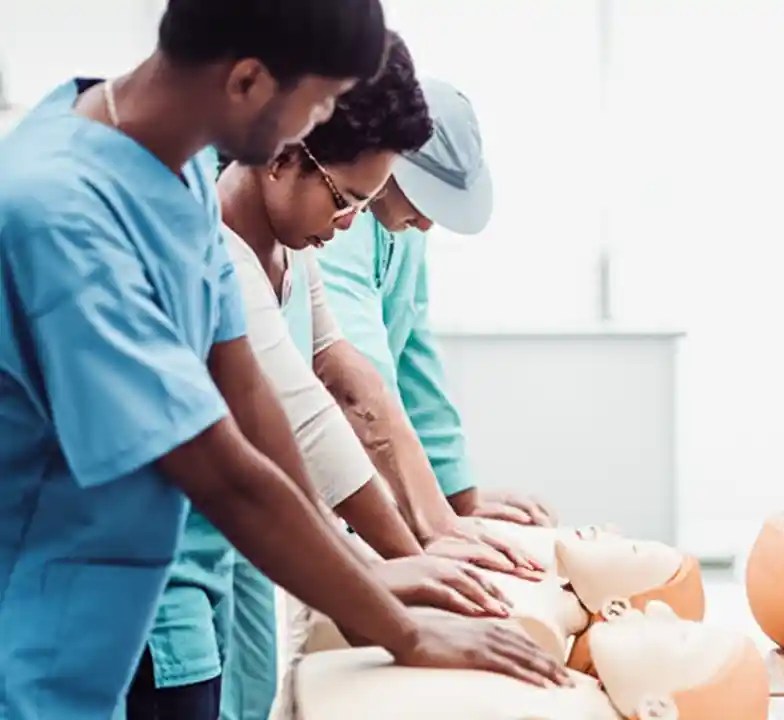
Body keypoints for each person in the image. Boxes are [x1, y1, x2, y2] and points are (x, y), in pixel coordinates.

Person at [0, 2, 565, 719]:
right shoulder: (60, 214)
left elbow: (253, 397)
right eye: (321, 102)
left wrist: (370, 574)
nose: (322, 122)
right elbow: (222, 470)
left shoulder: (172, 173)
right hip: (39, 648)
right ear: (248, 81)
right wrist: (401, 629)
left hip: (113, 621)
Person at [135, 34, 543, 720]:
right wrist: (388, 598)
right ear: (283, 155)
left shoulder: (292, 249)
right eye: (344, 199)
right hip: (161, 585)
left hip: (227, 561)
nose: (352, 223)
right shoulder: (215, 255)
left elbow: (346, 383)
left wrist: (421, 547)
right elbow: (289, 437)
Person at [317, 77, 557, 530]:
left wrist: (459, 497)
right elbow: (359, 384)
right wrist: (435, 524)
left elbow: (415, 358)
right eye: (423, 198)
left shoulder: (404, 229)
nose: (427, 223)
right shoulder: (336, 221)